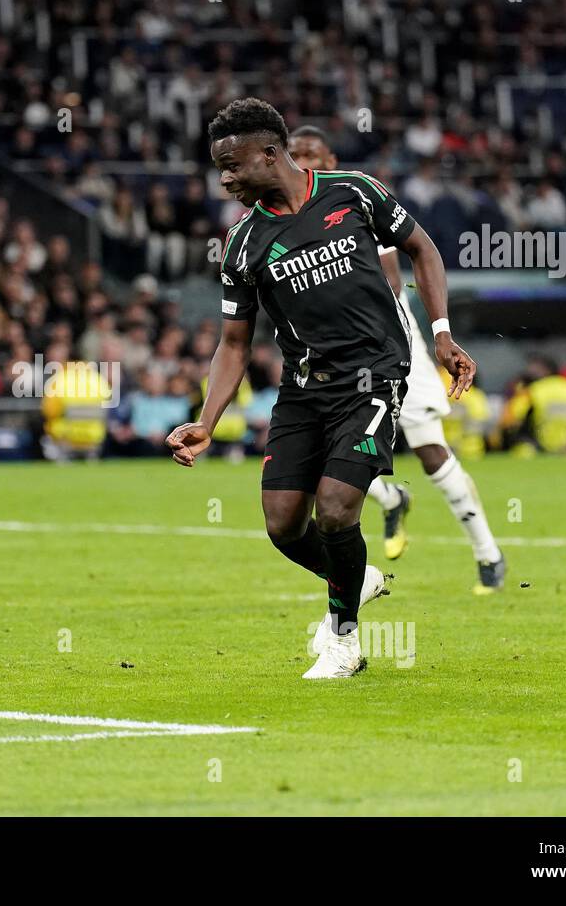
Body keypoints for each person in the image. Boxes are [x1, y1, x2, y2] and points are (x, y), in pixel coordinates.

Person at [166, 98, 476, 679]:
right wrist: (207, 421)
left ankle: (344, 639)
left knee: (335, 510)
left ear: (270, 154)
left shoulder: (352, 191)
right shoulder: (242, 244)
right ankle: (358, 579)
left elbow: (422, 248)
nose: (225, 180)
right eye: (219, 170)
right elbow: (233, 344)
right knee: (283, 524)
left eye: (232, 166)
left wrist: (441, 334)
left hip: (373, 376)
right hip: (304, 388)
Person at [288, 125, 505, 594]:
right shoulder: (282, 220)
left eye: (313, 154)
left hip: (391, 340)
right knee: (328, 450)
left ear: (330, 160)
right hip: (333, 353)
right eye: (296, 154)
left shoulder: (352, 200)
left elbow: (390, 279)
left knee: (429, 449)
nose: (304, 161)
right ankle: (390, 499)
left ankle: (488, 552)